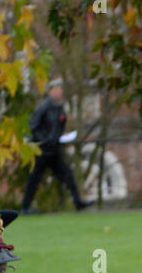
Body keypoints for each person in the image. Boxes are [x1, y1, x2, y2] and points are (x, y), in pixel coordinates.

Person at [20, 80, 90, 215]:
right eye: (58, 88)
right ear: (51, 90)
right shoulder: (43, 107)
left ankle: (78, 202)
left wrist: (61, 136)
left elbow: (59, 126)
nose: (60, 91)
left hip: (54, 150)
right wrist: (44, 140)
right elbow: (33, 126)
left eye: (61, 88)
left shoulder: (59, 108)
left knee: (68, 175)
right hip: (42, 150)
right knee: (34, 178)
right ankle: (25, 207)